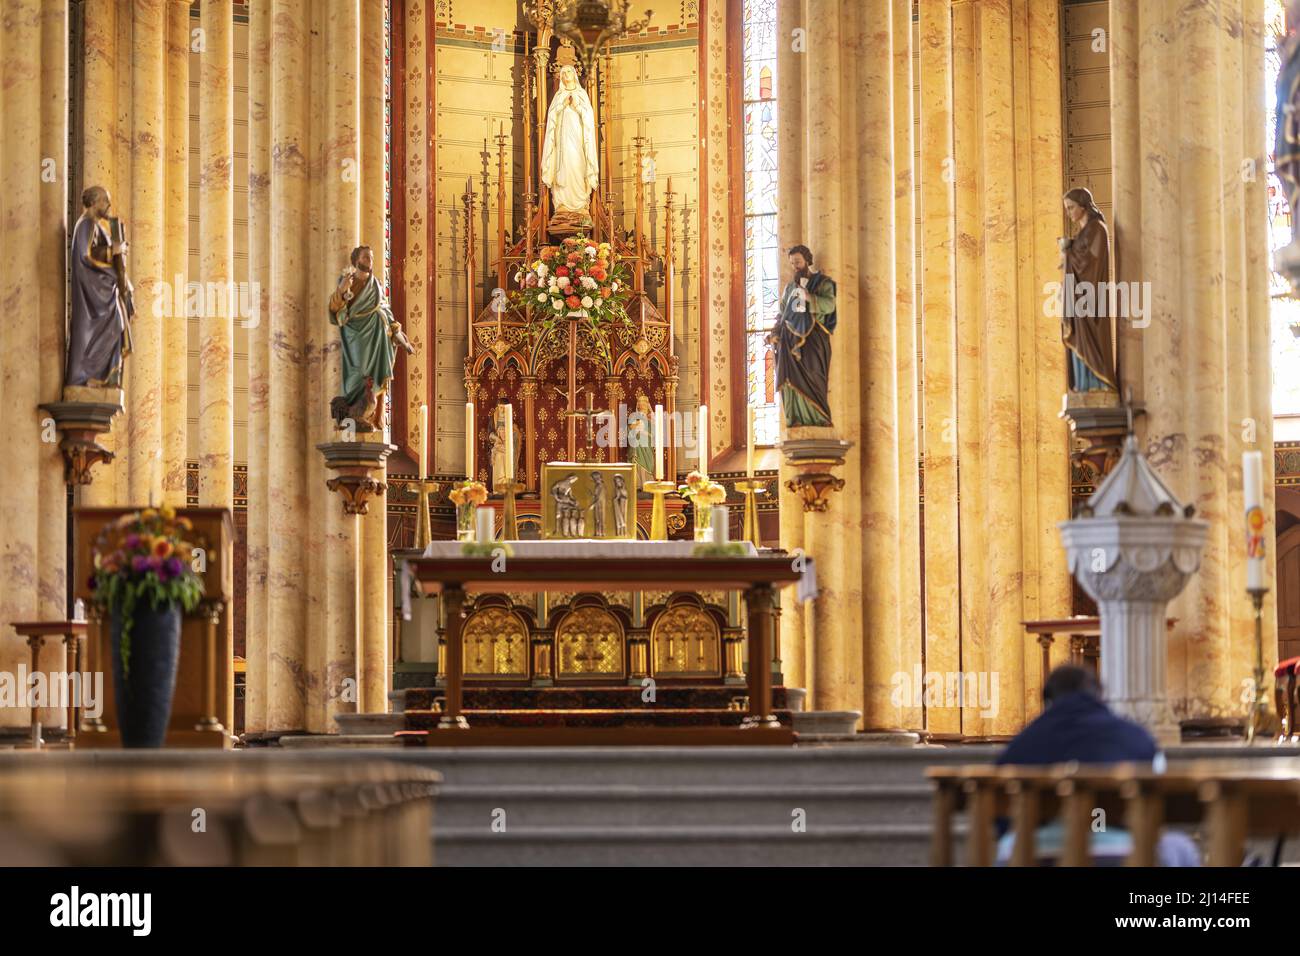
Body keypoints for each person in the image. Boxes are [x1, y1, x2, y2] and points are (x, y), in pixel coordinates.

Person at [996, 665, 1198, 866]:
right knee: (1182, 847)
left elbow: (1003, 816)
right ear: (1099, 695)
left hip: (1038, 853)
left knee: (1005, 848)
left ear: (1048, 700)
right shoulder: (1136, 737)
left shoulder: (1022, 744)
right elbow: (1156, 805)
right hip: (1122, 851)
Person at [328, 245, 413, 431]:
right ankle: (350, 415)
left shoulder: (377, 285)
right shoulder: (347, 282)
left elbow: (385, 310)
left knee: (374, 378)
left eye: (371, 257)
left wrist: (397, 332)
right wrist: (342, 291)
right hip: (356, 337)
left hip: (378, 338)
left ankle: (372, 417)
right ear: (356, 260)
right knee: (357, 375)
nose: (370, 261)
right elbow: (335, 309)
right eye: (366, 257)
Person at [67, 186, 132, 389]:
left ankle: (108, 375)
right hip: (93, 291)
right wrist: (113, 253)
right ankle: (89, 375)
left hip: (103, 288)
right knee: (115, 324)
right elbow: (84, 256)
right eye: (105, 200)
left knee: (118, 324)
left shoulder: (98, 226)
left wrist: (118, 255)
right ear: (94, 202)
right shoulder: (86, 224)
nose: (109, 205)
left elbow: (107, 253)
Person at [768, 245, 836, 427]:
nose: (795, 266)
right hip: (789, 343)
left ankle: (817, 417)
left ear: (807, 260)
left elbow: (829, 305)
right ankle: (796, 418)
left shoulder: (822, 283)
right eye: (792, 263)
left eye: (798, 261)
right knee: (790, 382)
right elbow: (782, 313)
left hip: (812, 341)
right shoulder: (790, 288)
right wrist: (775, 332)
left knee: (812, 376)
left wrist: (809, 298)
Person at [1059, 187, 1116, 394]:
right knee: (1077, 339)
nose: (1069, 213)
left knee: (1089, 341)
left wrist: (1068, 253)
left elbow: (1092, 263)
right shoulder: (1084, 233)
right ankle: (1083, 386)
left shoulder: (1097, 229)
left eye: (1072, 207)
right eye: (1067, 208)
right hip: (1077, 299)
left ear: (1083, 206)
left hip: (1089, 298)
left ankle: (1096, 384)